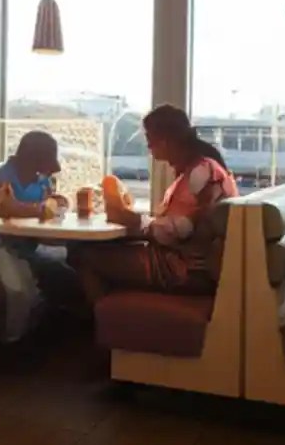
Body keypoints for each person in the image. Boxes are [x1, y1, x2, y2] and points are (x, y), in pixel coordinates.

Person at [71, 104, 238, 304]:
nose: (149, 147)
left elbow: (183, 229)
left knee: (83, 255)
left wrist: (134, 220)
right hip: (187, 263)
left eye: (150, 139)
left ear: (166, 140)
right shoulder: (202, 168)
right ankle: (114, 320)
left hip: (186, 269)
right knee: (94, 248)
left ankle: (97, 326)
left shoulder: (200, 173)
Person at [0, 130, 79, 341]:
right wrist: (41, 210)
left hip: (22, 249)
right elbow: (4, 208)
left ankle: (46, 339)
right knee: (20, 290)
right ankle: (13, 344)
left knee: (66, 273)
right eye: (49, 157)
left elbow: (52, 205)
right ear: (33, 158)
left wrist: (61, 203)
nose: (56, 166)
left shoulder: (42, 181)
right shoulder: (2, 178)